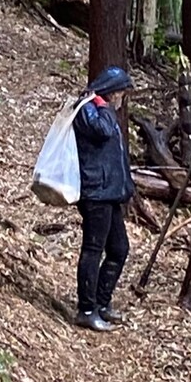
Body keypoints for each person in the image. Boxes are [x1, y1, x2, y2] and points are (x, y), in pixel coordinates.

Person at [72, 65, 135, 333]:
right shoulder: (88, 109)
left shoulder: (99, 109)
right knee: (93, 249)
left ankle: (101, 302)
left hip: (109, 193)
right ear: (111, 91)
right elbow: (103, 131)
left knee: (119, 249)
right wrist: (102, 104)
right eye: (120, 92)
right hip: (96, 193)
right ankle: (86, 310)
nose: (122, 99)